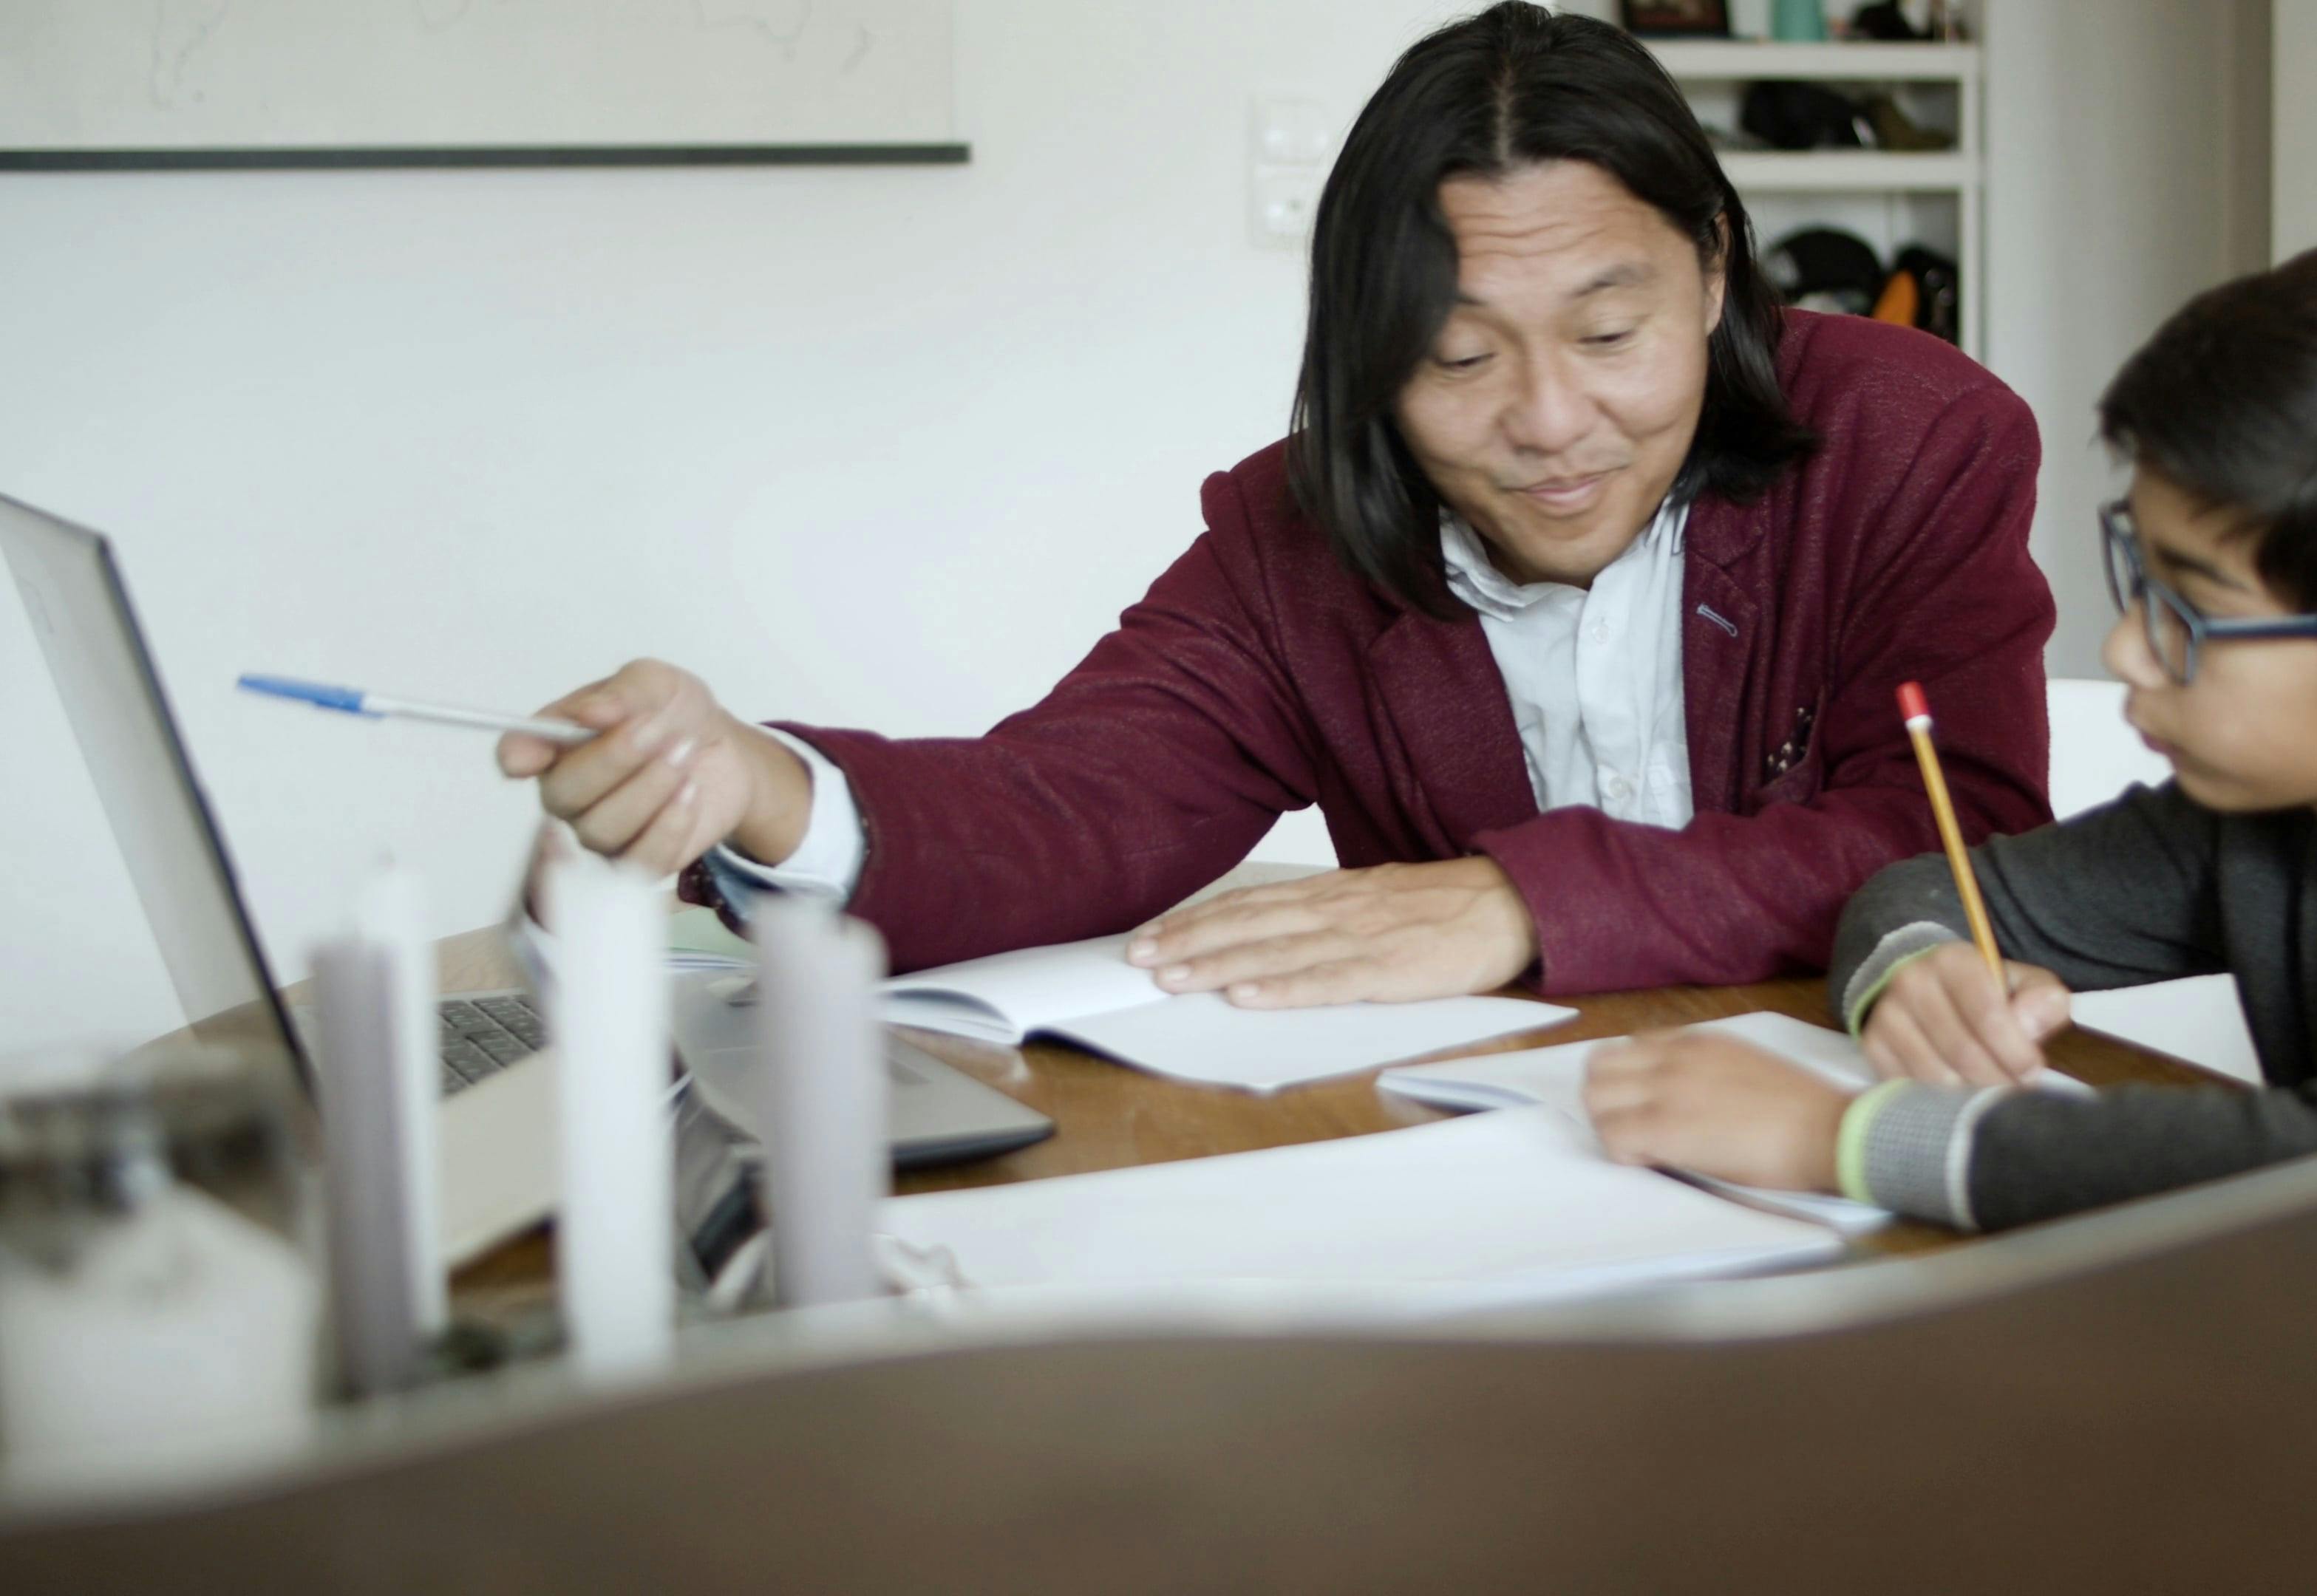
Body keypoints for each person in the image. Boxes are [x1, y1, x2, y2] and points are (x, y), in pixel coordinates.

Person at [497, 3, 2054, 1002]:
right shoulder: (1290, 540)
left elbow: (1961, 838)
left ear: (1716, 271)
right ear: (1368, 359)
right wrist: (764, 786)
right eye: (1457, 357)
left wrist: (1516, 904)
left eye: (1610, 334)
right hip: (1471, 1181)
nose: (1551, 424)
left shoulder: (1911, 441)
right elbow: (1073, 805)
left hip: (1841, 1151)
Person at [1584, 215, 2317, 1228]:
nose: (2121, 651)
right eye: (2136, 575)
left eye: (2192, 612)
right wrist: (1919, 974)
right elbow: (1924, 892)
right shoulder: (2271, 818)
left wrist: (1847, 1137)